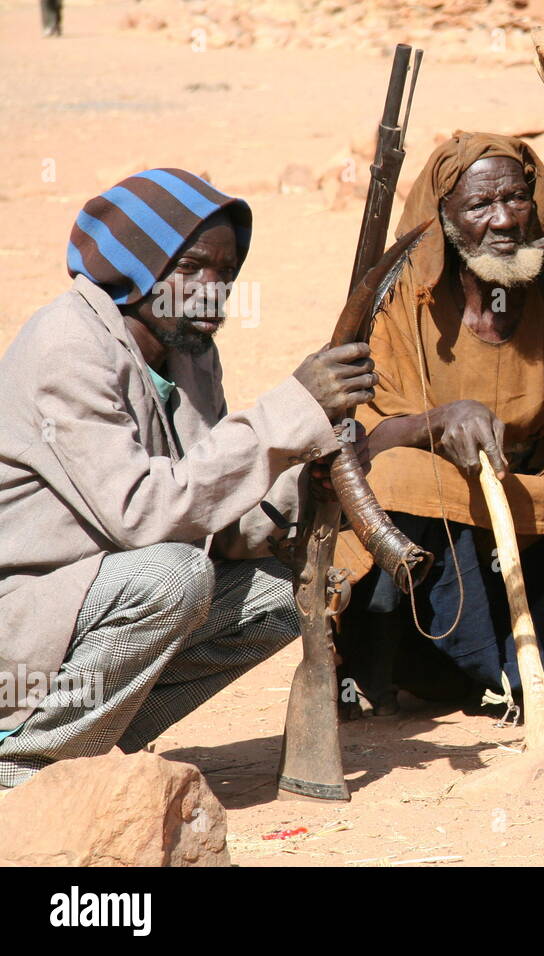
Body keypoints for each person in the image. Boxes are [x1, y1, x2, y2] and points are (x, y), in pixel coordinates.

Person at [0, 169, 375, 788]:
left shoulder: (188, 354)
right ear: (135, 265)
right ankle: (25, 767)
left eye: (226, 275)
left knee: (282, 596)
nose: (213, 292)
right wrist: (288, 411)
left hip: (82, 609)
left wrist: (306, 473)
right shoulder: (67, 344)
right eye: (192, 268)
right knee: (174, 576)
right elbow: (144, 514)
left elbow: (221, 520)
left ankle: (90, 748)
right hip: (25, 613)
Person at [334, 132, 544, 713]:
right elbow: (367, 442)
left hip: (539, 490)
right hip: (447, 499)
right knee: (397, 479)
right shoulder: (404, 302)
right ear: (444, 219)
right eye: (478, 206)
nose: (504, 221)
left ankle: (539, 669)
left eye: (516, 199)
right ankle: (459, 667)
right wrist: (442, 421)